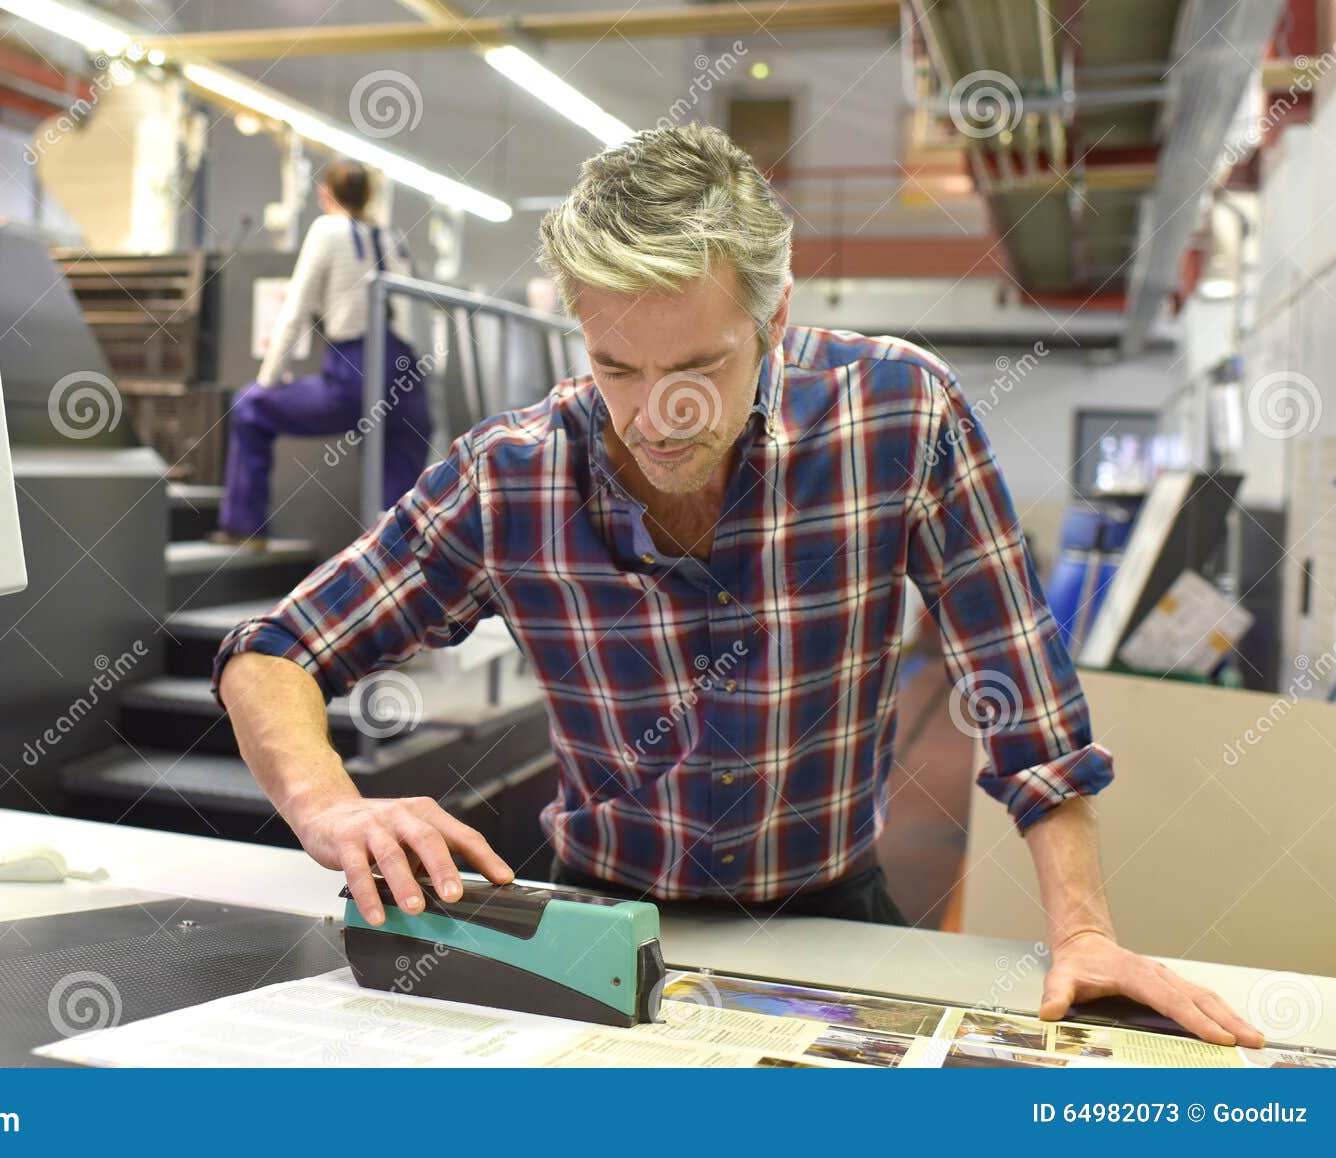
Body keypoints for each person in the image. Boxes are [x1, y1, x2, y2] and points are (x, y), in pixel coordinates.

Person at [213, 124, 1264, 1048]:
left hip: (831, 906)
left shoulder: (896, 415)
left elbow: (1018, 683)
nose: (655, 414)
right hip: (594, 915)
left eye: (700, 367)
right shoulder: (510, 475)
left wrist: (1082, 929)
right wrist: (327, 804)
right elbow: (273, 652)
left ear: (776, 320)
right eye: (616, 368)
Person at [213, 160, 432, 547]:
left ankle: (245, 528)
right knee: (398, 503)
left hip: (355, 371)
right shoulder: (393, 234)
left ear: (326, 194)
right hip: (406, 376)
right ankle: (401, 569)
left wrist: (269, 379)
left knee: (249, 405)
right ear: (369, 195)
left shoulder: (328, 230)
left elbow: (295, 309)